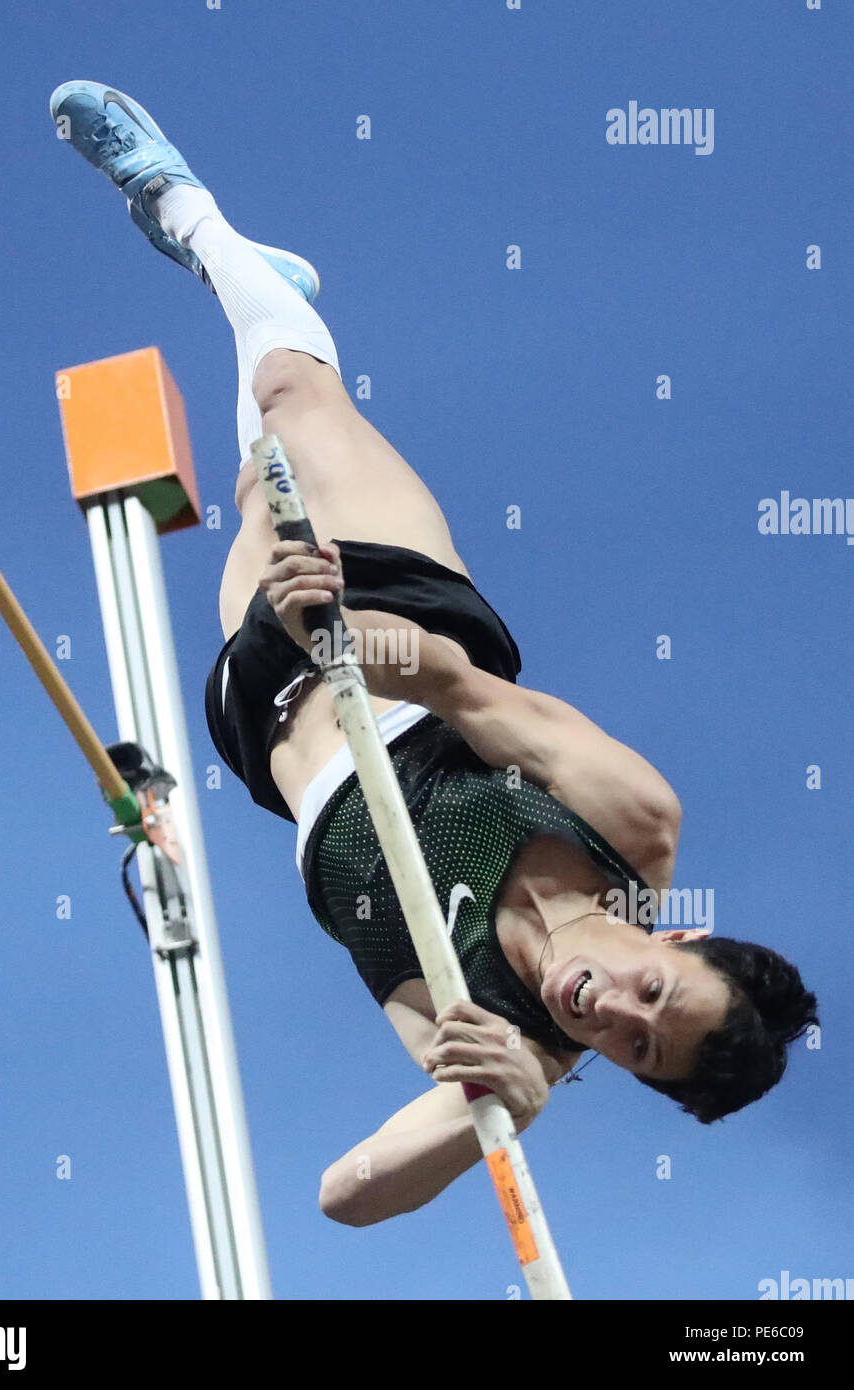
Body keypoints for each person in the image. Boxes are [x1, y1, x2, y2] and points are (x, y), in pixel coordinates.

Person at [50, 82, 818, 1227]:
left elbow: (342, 1198)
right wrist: (362, 643)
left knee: (260, 452)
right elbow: (463, 689)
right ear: (684, 935)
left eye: (636, 1050)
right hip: (398, 623)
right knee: (289, 395)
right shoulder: (631, 825)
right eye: (651, 988)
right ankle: (189, 213)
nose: (610, 1011)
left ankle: (281, 297)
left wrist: (487, 1120)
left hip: (260, 718)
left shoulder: (503, 1039)